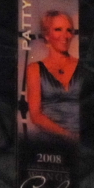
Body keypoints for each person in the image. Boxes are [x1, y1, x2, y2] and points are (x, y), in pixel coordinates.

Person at [24, 10, 81, 144]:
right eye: (58, 29)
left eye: (69, 30)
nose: (65, 35)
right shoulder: (34, 69)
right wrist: (68, 136)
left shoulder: (82, 66)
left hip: (82, 143)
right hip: (49, 141)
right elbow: (36, 116)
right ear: (47, 35)